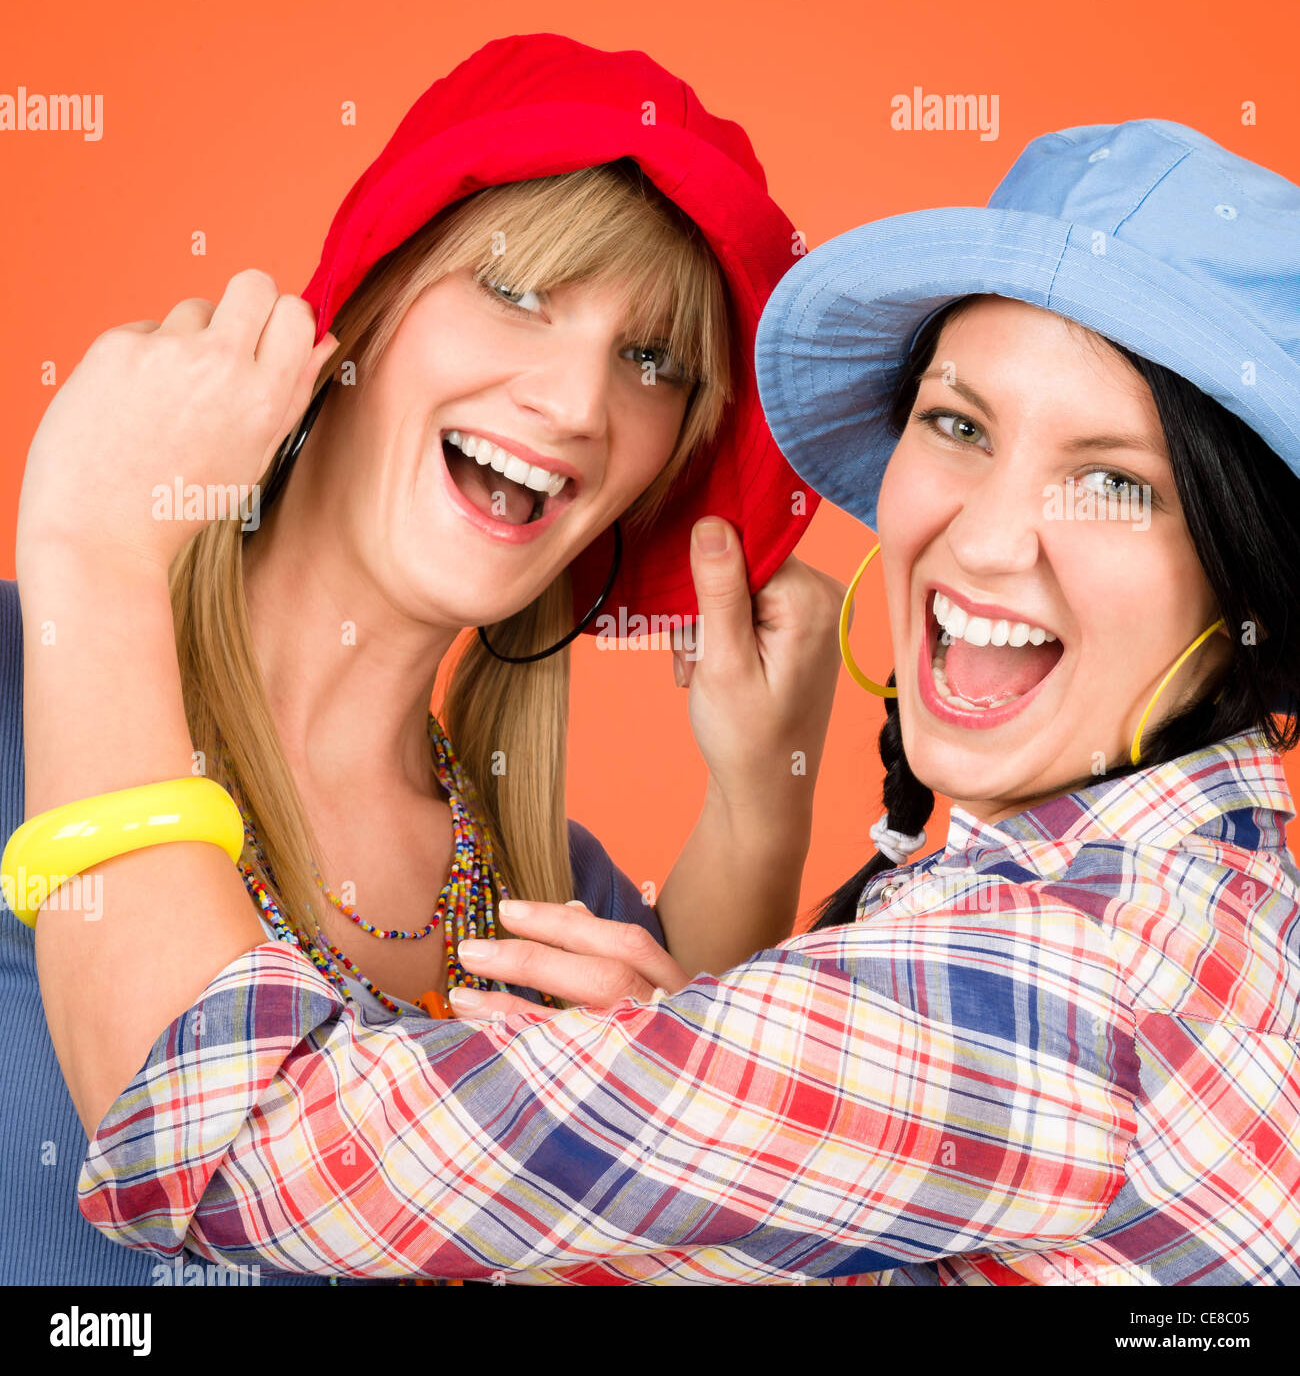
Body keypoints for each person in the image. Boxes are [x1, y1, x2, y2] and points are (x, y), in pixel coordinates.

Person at [26, 118, 1300, 1285]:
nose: (987, 545)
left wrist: (93, 546)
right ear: (354, 314)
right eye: (958, 426)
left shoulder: (1077, 979)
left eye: (1117, 485)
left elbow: (246, 1142)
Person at [0, 32, 844, 1284]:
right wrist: (89, 544)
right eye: (514, 292)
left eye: (651, 362)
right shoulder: (27, 682)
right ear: (363, 313)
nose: (574, 404)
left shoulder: (571, 916)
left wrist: (756, 821)